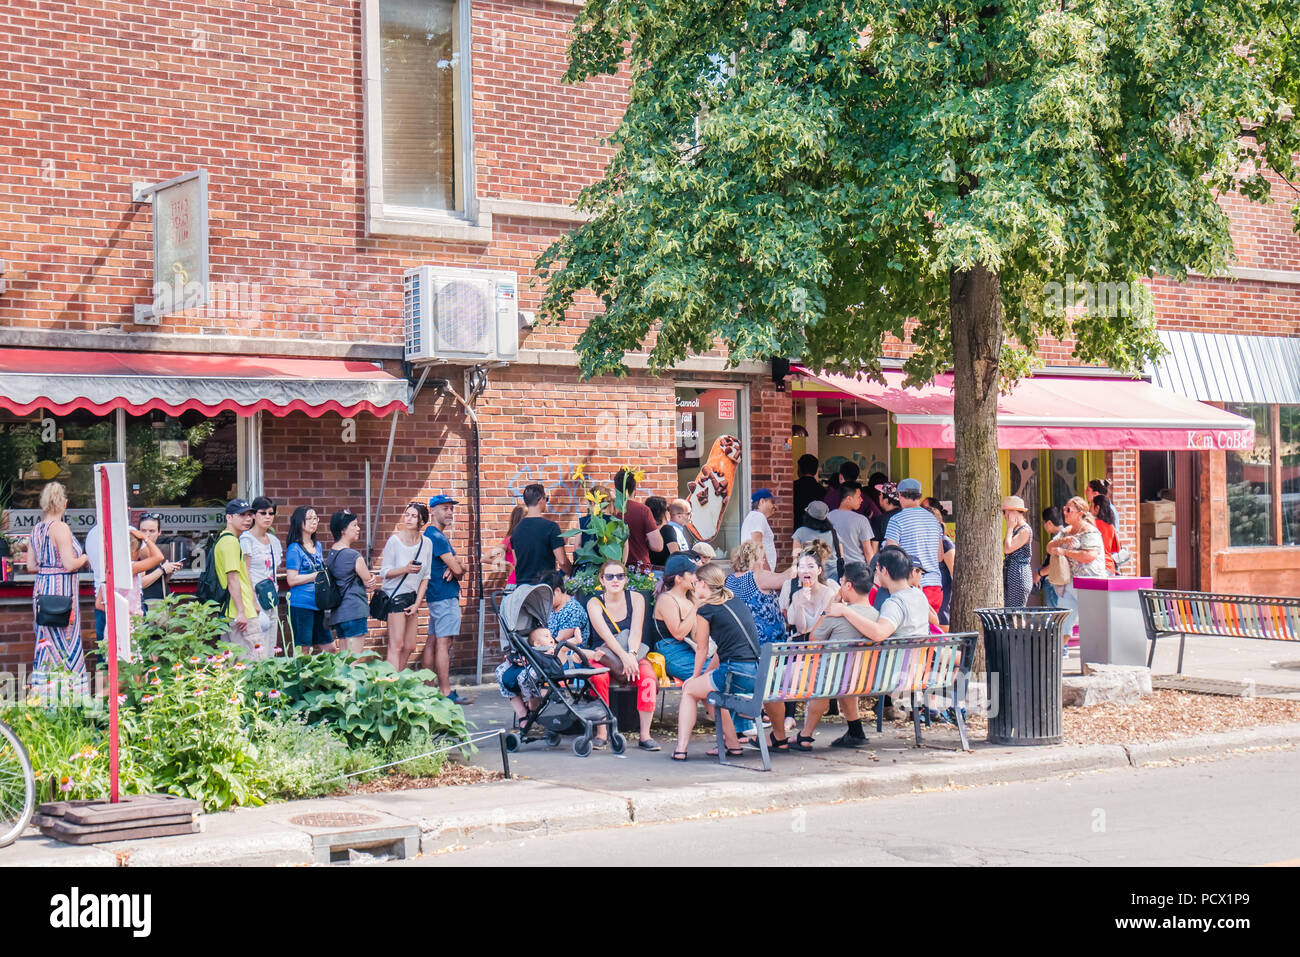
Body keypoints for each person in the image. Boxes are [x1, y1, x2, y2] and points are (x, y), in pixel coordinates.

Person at [672, 562, 778, 760]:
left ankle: (680, 748)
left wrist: (695, 678)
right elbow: (724, 649)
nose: (694, 588)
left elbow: (702, 648)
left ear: (703, 584)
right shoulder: (735, 601)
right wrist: (704, 677)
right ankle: (733, 745)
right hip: (755, 672)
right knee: (708, 693)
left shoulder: (706, 610)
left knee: (689, 691)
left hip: (735, 673)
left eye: (695, 584)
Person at [791, 561, 883, 750]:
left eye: (842, 582)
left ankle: (804, 735)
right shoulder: (877, 617)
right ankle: (855, 731)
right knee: (839, 676)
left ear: (848, 586)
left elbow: (812, 641)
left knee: (824, 678)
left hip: (832, 678)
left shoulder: (838, 614)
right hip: (862, 679)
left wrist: (828, 609)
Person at [587, 559, 660, 750]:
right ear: (602, 580)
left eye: (620, 576)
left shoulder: (636, 598)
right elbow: (606, 636)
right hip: (604, 654)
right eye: (610, 576)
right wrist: (624, 656)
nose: (615, 580)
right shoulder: (594, 603)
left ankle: (645, 735)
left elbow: (636, 631)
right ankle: (602, 733)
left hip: (630, 652)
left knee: (648, 679)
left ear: (626, 579)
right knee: (599, 677)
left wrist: (632, 654)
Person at [29, 482, 91, 696]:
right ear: (64, 503)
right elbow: (69, 564)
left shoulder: (36, 529)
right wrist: (86, 556)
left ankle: (43, 694)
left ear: (44, 503)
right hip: (62, 590)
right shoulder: (61, 528)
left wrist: (47, 567)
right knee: (65, 640)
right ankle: (68, 694)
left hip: (42, 589)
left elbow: (30, 566)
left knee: (45, 641)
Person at [422, 494, 468, 699]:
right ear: (432, 510)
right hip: (444, 595)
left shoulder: (431, 535)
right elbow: (458, 569)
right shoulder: (437, 537)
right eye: (445, 508)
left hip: (436, 595)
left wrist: (457, 565)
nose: (449, 512)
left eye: (451, 508)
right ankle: (445, 692)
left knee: (432, 640)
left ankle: (427, 688)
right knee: (444, 642)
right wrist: (459, 566)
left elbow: (456, 566)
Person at [380, 502, 433, 671]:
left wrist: (418, 603)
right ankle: (390, 686)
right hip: (395, 596)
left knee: (410, 646)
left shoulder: (427, 543)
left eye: (414, 516)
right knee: (396, 645)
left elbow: (426, 577)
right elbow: (385, 572)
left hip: (412, 597)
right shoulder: (395, 541)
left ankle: (397, 678)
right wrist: (405, 569)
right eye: (407, 514)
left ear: (422, 521)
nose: (408, 518)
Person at [215, 499, 268, 659]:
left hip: (232, 611)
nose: (248, 519)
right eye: (241, 515)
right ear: (229, 517)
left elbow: (243, 576)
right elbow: (232, 580)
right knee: (255, 663)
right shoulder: (230, 542)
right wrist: (241, 612)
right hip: (240, 613)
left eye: (250, 515)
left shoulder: (225, 540)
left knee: (233, 666)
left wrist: (253, 601)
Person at [883, 478, 945, 616]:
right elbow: (940, 556)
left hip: (908, 585)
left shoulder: (896, 520)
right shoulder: (934, 520)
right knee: (931, 631)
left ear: (899, 495)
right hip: (934, 584)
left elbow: (892, 555)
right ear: (919, 496)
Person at [1046, 496, 1106, 635]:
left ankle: (1095, 652)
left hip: (1089, 582)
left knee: (1092, 621)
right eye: (1064, 509)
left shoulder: (1089, 531)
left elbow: (1089, 555)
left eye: (1068, 510)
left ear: (1080, 513)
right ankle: (1060, 652)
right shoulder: (1066, 531)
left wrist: (1065, 552)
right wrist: (1061, 541)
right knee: (1063, 621)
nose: (1065, 513)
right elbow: (1049, 547)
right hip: (1070, 583)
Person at [326, 510, 379, 655]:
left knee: (344, 660)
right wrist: (371, 579)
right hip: (354, 611)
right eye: (354, 525)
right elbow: (369, 582)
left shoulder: (331, 554)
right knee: (353, 661)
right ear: (343, 530)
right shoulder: (353, 556)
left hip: (339, 615)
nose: (358, 529)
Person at [725, 540, 793, 648]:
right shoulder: (757, 577)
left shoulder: (729, 580)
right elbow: (784, 579)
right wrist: (801, 562)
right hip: (768, 645)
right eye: (762, 559)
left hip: (743, 643)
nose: (763, 562)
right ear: (753, 560)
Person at [284, 506, 334, 654]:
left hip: (319, 603)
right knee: (304, 649)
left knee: (330, 647)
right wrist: (317, 575)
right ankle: (302, 677)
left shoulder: (317, 545)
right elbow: (291, 580)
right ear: (300, 522)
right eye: (309, 518)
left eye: (316, 518)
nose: (314, 522)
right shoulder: (294, 548)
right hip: (301, 604)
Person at [240, 496, 283, 655]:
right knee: (257, 644)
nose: (267, 517)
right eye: (263, 513)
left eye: (271, 513)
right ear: (253, 515)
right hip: (255, 598)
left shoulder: (273, 540)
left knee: (271, 643)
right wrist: (252, 602)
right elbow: (245, 573)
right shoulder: (246, 539)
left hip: (271, 596)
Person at [652, 553, 706, 681]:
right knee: (712, 672)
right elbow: (678, 634)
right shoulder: (667, 599)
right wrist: (696, 607)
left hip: (689, 649)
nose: (696, 577)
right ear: (678, 579)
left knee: (721, 668)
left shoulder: (689, 599)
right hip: (670, 651)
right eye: (692, 574)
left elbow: (696, 636)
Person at [511, 484, 569, 584]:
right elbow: (562, 562)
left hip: (523, 589)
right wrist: (571, 571)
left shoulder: (516, 530)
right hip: (544, 587)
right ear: (541, 499)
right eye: (546, 499)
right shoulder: (551, 527)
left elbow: (516, 562)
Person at [613, 468, 663, 574]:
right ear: (634, 488)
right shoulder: (642, 510)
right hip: (638, 569)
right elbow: (657, 546)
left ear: (616, 488)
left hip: (613, 571)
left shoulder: (609, 510)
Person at [138, 513, 183, 616]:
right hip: (146, 605)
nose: (147, 535)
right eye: (143, 531)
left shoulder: (156, 550)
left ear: (159, 532)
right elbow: (140, 583)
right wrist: (162, 570)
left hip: (163, 601)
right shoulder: (137, 552)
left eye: (152, 531)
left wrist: (170, 570)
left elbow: (160, 580)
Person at [922, 497, 955, 626]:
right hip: (933, 588)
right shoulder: (930, 541)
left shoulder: (945, 542)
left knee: (941, 624)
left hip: (943, 589)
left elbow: (953, 571)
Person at [792, 500, 843, 582]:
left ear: (807, 515)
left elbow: (795, 559)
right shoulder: (833, 533)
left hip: (809, 579)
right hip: (833, 579)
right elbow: (841, 556)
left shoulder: (800, 532)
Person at [828, 481, 875, 566]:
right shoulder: (861, 520)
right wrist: (873, 573)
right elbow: (868, 552)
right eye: (859, 497)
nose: (861, 500)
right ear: (848, 498)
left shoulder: (827, 518)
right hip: (858, 569)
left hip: (833, 569)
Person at [1002, 495, 1033, 607]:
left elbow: (1008, 548)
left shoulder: (1025, 530)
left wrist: (1010, 528)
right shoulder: (1015, 529)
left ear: (1014, 512)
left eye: (1005, 512)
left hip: (1019, 573)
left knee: (1016, 612)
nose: (1005, 516)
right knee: (1008, 610)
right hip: (1010, 571)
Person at [542, 570, 589, 646]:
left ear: (557, 591)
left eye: (546, 597)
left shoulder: (574, 610)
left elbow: (559, 640)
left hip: (569, 653)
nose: (545, 600)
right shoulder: (553, 607)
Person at [741, 488, 778, 571]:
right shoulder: (758, 516)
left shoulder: (754, 517)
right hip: (761, 572)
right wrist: (767, 571)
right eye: (772, 502)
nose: (775, 506)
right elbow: (756, 545)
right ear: (762, 502)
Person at [1035, 506, 1065, 608]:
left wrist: (1040, 573)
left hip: (1054, 582)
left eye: (1044, 522)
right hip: (1058, 582)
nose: (1043, 525)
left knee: (1053, 616)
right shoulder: (1064, 535)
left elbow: (1056, 564)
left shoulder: (1059, 539)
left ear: (1049, 523)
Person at [1090, 494, 1122, 575]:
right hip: (1110, 567)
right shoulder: (1111, 526)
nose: (1089, 509)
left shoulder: (1091, 525)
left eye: (1091, 506)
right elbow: (1116, 548)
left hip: (1096, 567)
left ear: (1097, 508)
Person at [792, 453, 825, 523]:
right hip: (816, 528)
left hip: (796, 527)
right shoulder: (822, 490)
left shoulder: (793, 487)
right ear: (815, 471)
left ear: (800, 469)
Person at [871, 480, 901, 546]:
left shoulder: (878, 520)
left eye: (880, 495)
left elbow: (874, 550)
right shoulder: (906, 516)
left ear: (886, 501)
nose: (879, 497)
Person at [645, 495, 672, 569]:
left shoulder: (644, 530)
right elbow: (675, 554)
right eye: (668, 509)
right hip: (664, 573)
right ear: (662, 512)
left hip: (647, 572)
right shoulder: (667, 529)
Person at [502, 504, 525, 585]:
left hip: (518, 582)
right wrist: (507, 564)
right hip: (517, 582)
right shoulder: (511, 539)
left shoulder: (508, 539)